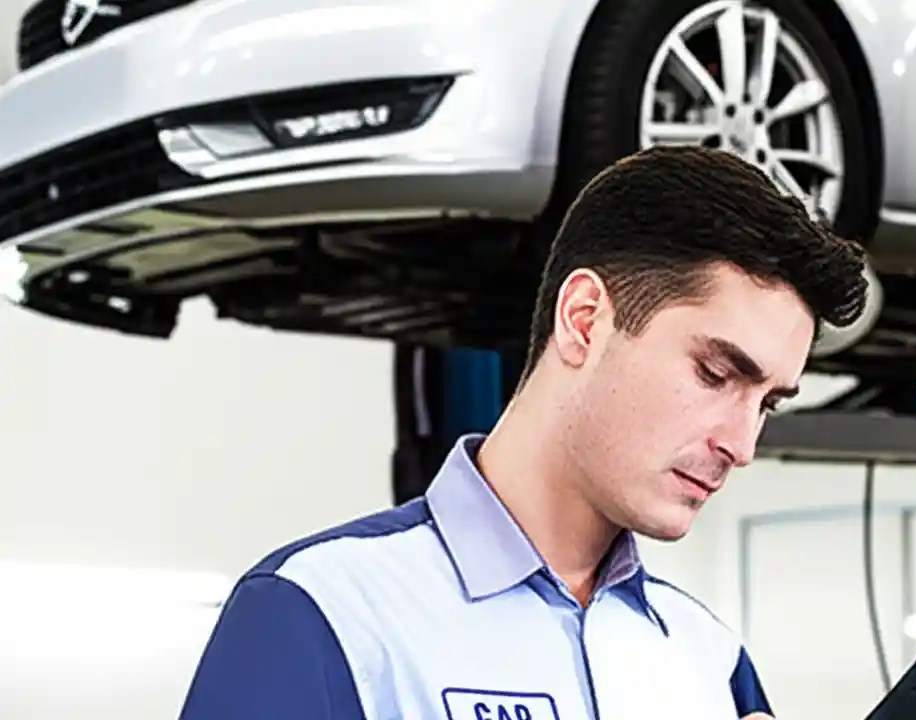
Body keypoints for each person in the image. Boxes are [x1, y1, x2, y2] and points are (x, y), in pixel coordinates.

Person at [178, 145, 869, 720]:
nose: (741, 445)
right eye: (715, 373)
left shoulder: (712, 661)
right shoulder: (320, 614)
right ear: (584, 318)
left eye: (767, 404)